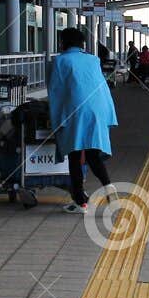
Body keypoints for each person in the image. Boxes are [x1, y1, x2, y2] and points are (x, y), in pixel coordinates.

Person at [47, 27, 118, 214]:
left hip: (76, 110)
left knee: (75, 155)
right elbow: (102, 87)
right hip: (98, 109)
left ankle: (80, 202)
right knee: (93, 154)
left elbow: (56, 92)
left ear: (63, 42)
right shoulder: (94, 60)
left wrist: (56, 120)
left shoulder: (60, 61)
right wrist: (109, 115)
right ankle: (108, 187)